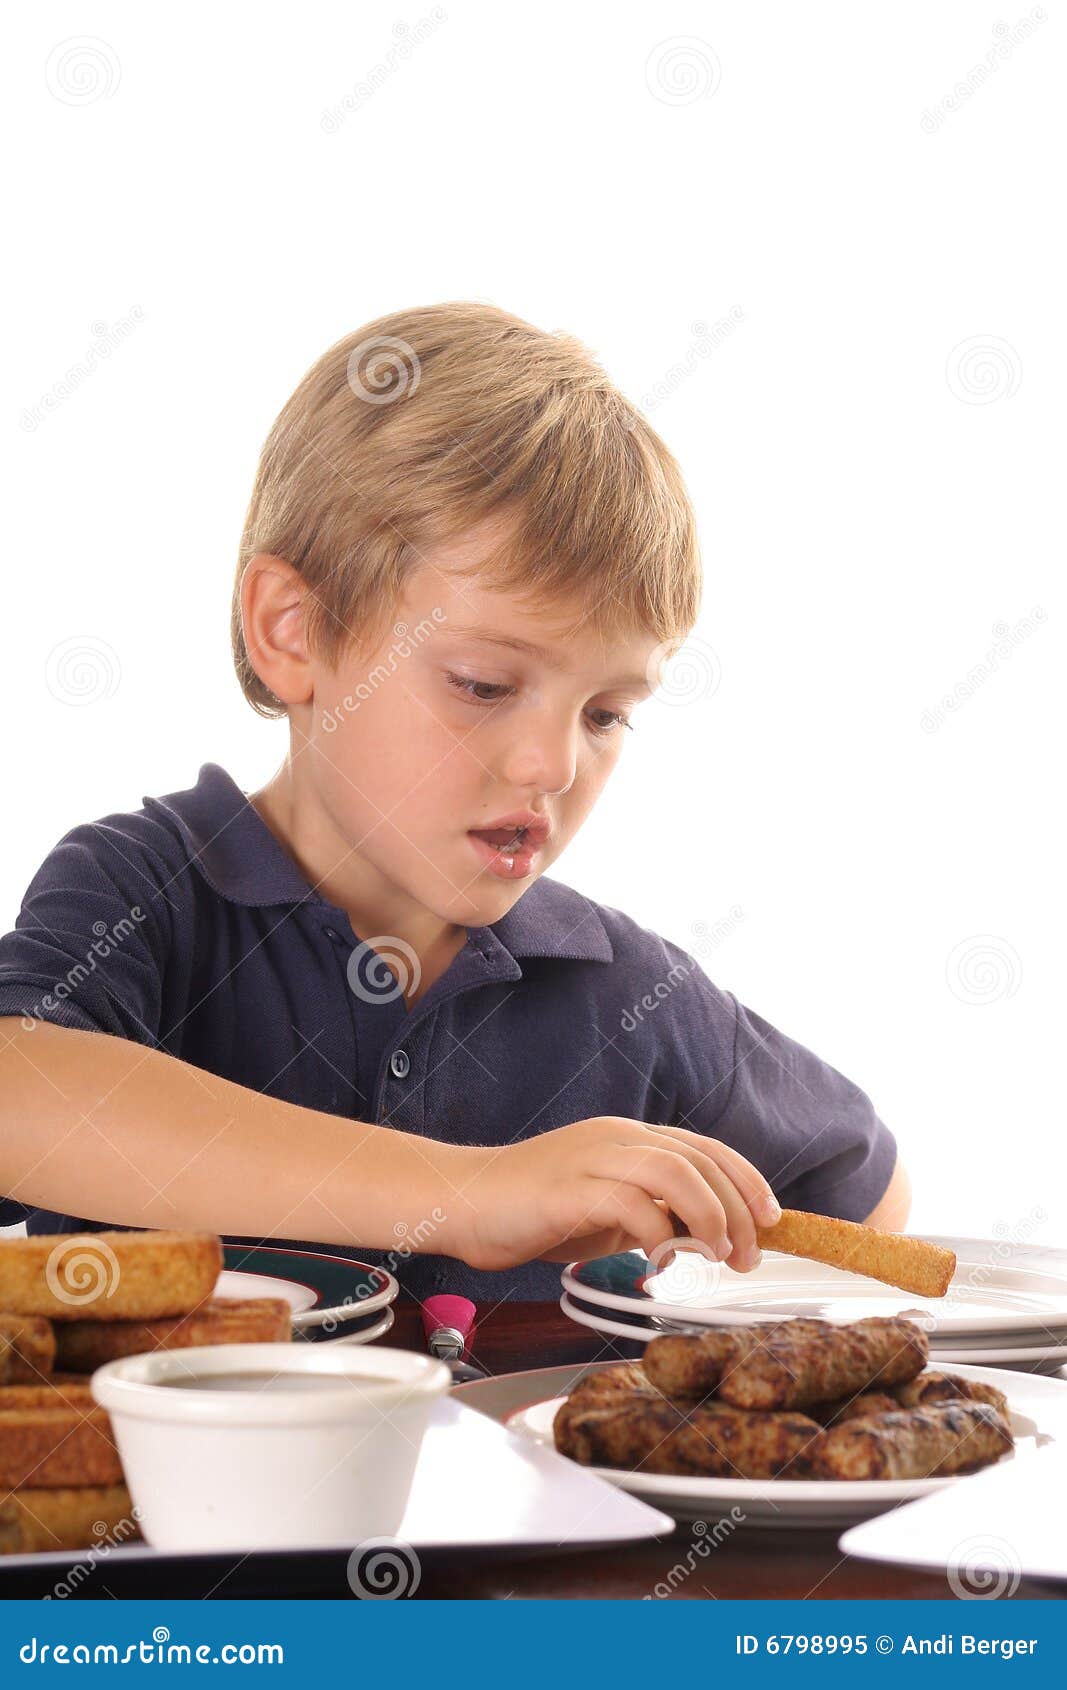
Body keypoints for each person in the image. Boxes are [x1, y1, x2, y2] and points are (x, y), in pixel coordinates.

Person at [0, 302, 908, 1300]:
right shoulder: (148, 891)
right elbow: (21, 1091)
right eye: (482, 684)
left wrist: (705, 1306)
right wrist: (474, 1193)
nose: (551, 765)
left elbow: (867, 1204)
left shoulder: (630, 996)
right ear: (292, 631)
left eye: (605, 713)